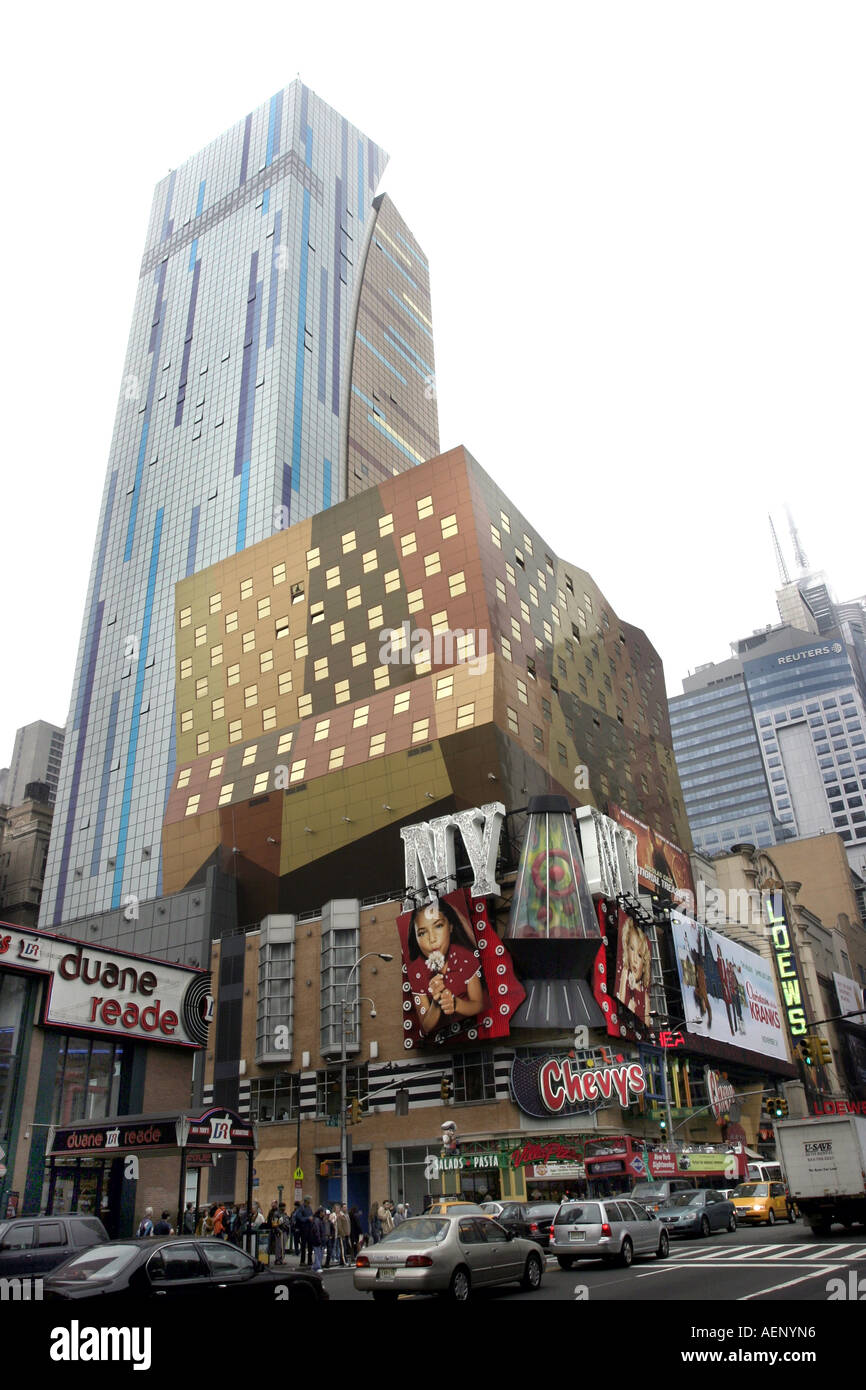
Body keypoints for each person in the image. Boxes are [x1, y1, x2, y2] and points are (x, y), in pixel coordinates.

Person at [406, 898, 486, 1034]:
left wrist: (455, 1004)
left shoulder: (465, 958)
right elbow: (425, 1027)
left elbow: (479, 1005)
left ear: (450, 927)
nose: (432, 939)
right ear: (416, 938)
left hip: (477, 1030)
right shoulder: (416, 971)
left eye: (438, 926)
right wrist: (436, 1003)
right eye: (422, 933)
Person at [615, 917, 651, 1024]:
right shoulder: (624, 977)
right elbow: (620, 1000)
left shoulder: (645, 997)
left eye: (640, 955)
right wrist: (624, 975)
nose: (635, 959)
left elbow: (647, 1024)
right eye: (631, 948)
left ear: (644, 964)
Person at [297, 1197, 314, 1266]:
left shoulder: (309, 1208)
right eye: (309, 1201)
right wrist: (308, 1218)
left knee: (310, 1245)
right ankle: (302, 1261)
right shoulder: (301, 1208)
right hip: (303, 1229)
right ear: (306, 1201)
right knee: (303, 1245)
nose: (309, 1202)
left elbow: (312, 1215)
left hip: (310, 1229)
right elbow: (299, 1217)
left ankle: (310, 1260)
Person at [310, 1207, 327, 1273]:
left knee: (320, 1254)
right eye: (323, 1212)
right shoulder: (317, 1220)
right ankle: (318, 1267)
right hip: (317, 1240)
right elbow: (317, 1231)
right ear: (320, 1212)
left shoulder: (320, 1220)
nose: (324, 1213)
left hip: (319, 1239)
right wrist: (319, 1239)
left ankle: (314, 1267)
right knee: (318, 1254)